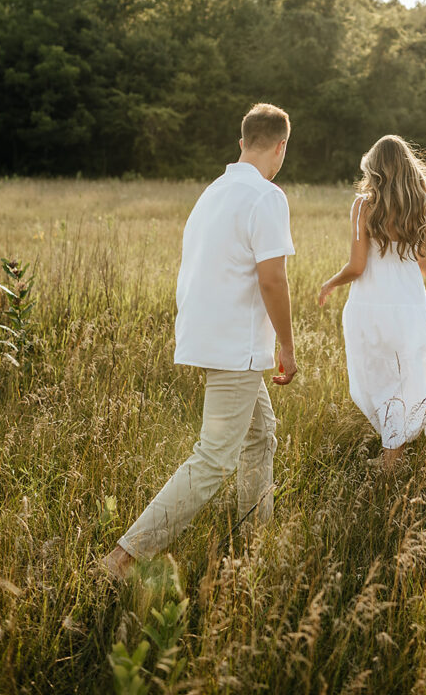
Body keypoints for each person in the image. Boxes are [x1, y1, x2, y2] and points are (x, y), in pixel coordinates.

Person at [102, 103, 298, 579]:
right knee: (213, 458)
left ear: (240, 143)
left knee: (261, 434)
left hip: (207, 335)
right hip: (236, 345)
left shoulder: (213, 191)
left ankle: (255, 532)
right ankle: (123, 558)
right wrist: (288, 348)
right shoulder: (266, 196)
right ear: (281, 147)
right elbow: (272, 279)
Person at [318, 135, 426, 473]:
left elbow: (357, 267)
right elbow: (425, 267)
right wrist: (400, 280)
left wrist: (330, 283)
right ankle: (393, 456)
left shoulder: (363, 205)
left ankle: (390, 462)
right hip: (409, 307)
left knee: (378, 380)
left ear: (373, 169)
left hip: (369, 307)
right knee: (405, 379)